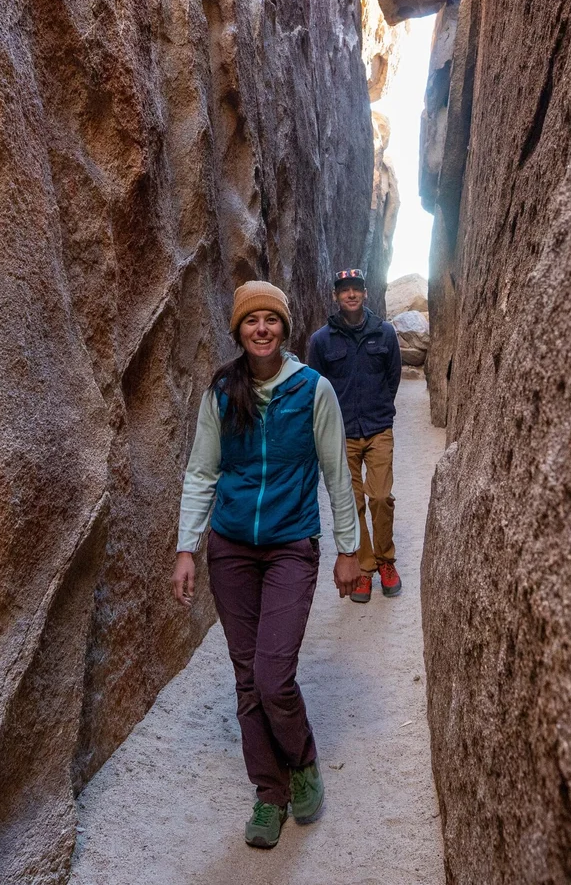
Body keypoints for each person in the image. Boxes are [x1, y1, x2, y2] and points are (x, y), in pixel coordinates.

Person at [170, 280, 362, 849]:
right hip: (230, 549)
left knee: (273, 674)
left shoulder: (313, 390)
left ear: (284, 328)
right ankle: (269, 793)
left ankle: (301, 760)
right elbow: (202, 471)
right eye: (251, 321)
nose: (262, 329)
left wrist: (348, 549)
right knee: (246, 676)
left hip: (289, 547)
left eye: (271, 321)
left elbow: (335, 473)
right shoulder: (222, 392)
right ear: (238, 330)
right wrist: (187, 547)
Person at [305, 268, 403, 603]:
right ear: (336, 295)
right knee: (353, 503)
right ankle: (364, 569)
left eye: (356, 289)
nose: (351, 295)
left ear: (365, 293)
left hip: (378, 428)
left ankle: (385, 560)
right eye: (344, 290)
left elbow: (393, 378)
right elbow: (315, 388)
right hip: (341, 434)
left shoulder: (385, 334)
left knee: (379, 497)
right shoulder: (321, 341)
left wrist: (379, 407)